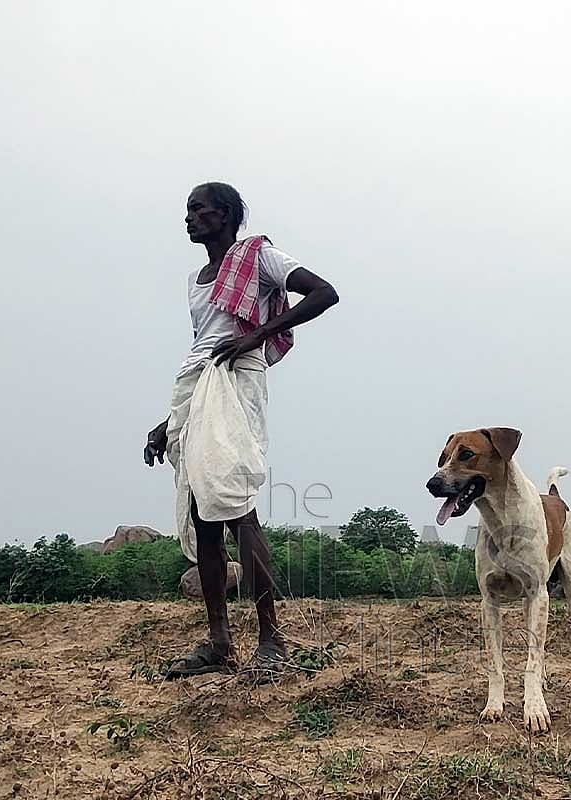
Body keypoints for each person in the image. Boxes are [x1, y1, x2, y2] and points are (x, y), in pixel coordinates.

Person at [143, 182, 338, 681]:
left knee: (235, 508)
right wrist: (170, 421)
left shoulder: (260, 256)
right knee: (202, 513)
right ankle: (219, 640)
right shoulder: (196, 278)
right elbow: (202, 344)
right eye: (187, 209)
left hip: (236, 381)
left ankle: (272, 641)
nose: (188, 218)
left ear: (225, 214)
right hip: (197, 384)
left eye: (198, 209)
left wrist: (257, 333)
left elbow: (324, 293)